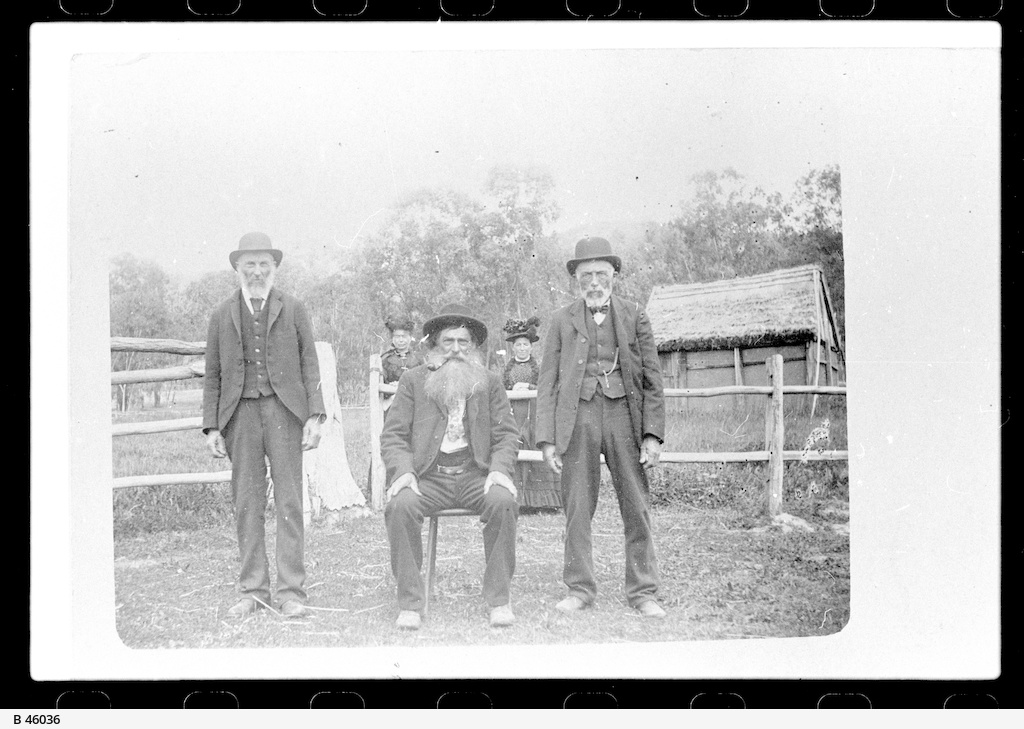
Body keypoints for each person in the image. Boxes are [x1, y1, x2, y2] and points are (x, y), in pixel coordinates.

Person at [535, 236, 668, 619]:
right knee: (577, 507)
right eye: (586, 275)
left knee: (636, 506)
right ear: (576, 279)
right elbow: (547, 383)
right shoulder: (562, 320)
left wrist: (652, 434)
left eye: (601, 274)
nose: (594, 282)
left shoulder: (635, 315)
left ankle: (643, 592)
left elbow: (652, 380)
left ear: (614, 276)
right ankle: (579, 589)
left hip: (625, 416)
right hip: (577, 419)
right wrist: (547, 441)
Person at [202, 232, 326, 619]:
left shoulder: (294, 308)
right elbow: (213, 374)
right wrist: (212, 427)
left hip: (284, 413)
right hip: (240, 416)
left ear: (274, 269)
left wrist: (315, 416)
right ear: (238, 269)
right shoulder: (222, 314)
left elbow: (310, 364)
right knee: (247, 503)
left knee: (289, 501)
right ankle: (253, 590)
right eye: (249, 265)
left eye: (264, 265)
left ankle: (291, 592)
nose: (257, 272)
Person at [381, 304, 520, 630]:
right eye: (448, 342)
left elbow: (507, 434)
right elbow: (393, 435)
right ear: (434, 346)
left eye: (464, 342)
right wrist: (404, 472)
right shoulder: (413, 381)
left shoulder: (489, 382)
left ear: (473, 347)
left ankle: (499, 600)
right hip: (429, 477)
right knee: (400, 505)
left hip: (475, 475)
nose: (456, 349)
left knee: (503, 501)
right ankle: (411, 604)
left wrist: (498, 470)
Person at [501, 317, 562, 511]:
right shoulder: (507, 369)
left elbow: (545, 388)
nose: (522, 348)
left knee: (536, 448)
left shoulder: (539, 367)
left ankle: (544, 501)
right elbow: (502, 390)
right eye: (518, 345)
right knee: (516, 448)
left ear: (531, 347)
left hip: (534, 413)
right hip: (515, 415)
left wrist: (527, 386)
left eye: (525, 345)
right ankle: (521, 500)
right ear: (513, 348)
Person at [380, 317, 425, 387]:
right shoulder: (385, 359)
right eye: (397, 337)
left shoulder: (419, 359)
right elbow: (380, 384)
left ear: (410, 338)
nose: (401, 340)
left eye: (404, 336)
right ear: (392, 338)